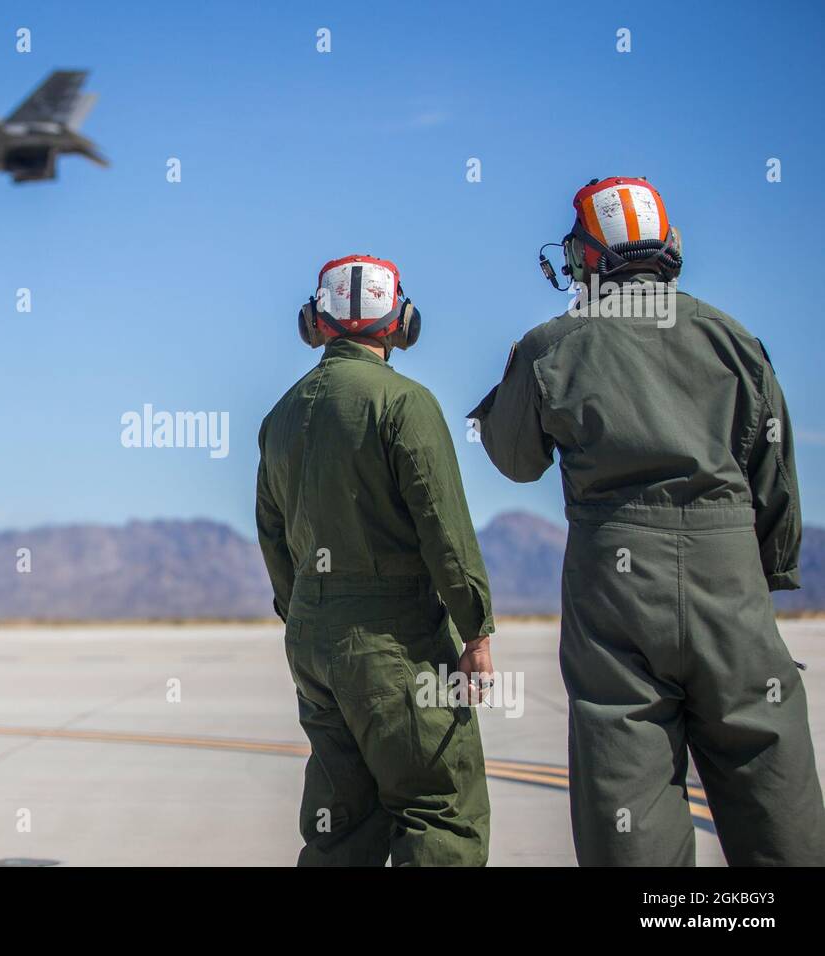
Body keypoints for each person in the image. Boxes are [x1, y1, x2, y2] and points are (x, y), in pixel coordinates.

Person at [469, 177, 825, 865]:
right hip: (731, 583)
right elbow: (774, 471)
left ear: (586, 259)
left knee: (628, 799)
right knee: (772, 780)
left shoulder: (553, 343)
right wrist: (770, 569)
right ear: (669, 250)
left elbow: (514, 459)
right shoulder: (734, 339)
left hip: (616, 584)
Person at [256, 254, 495, 866]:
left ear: (317, 322)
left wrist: (304, 614)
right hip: (396, 645)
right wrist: (476, 629)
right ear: (400, 323)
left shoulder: (280, 416)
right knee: (438, 810)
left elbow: (274, 538)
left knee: (340, 826)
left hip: (314, 642)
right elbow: (445, 529)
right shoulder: (405, 404)